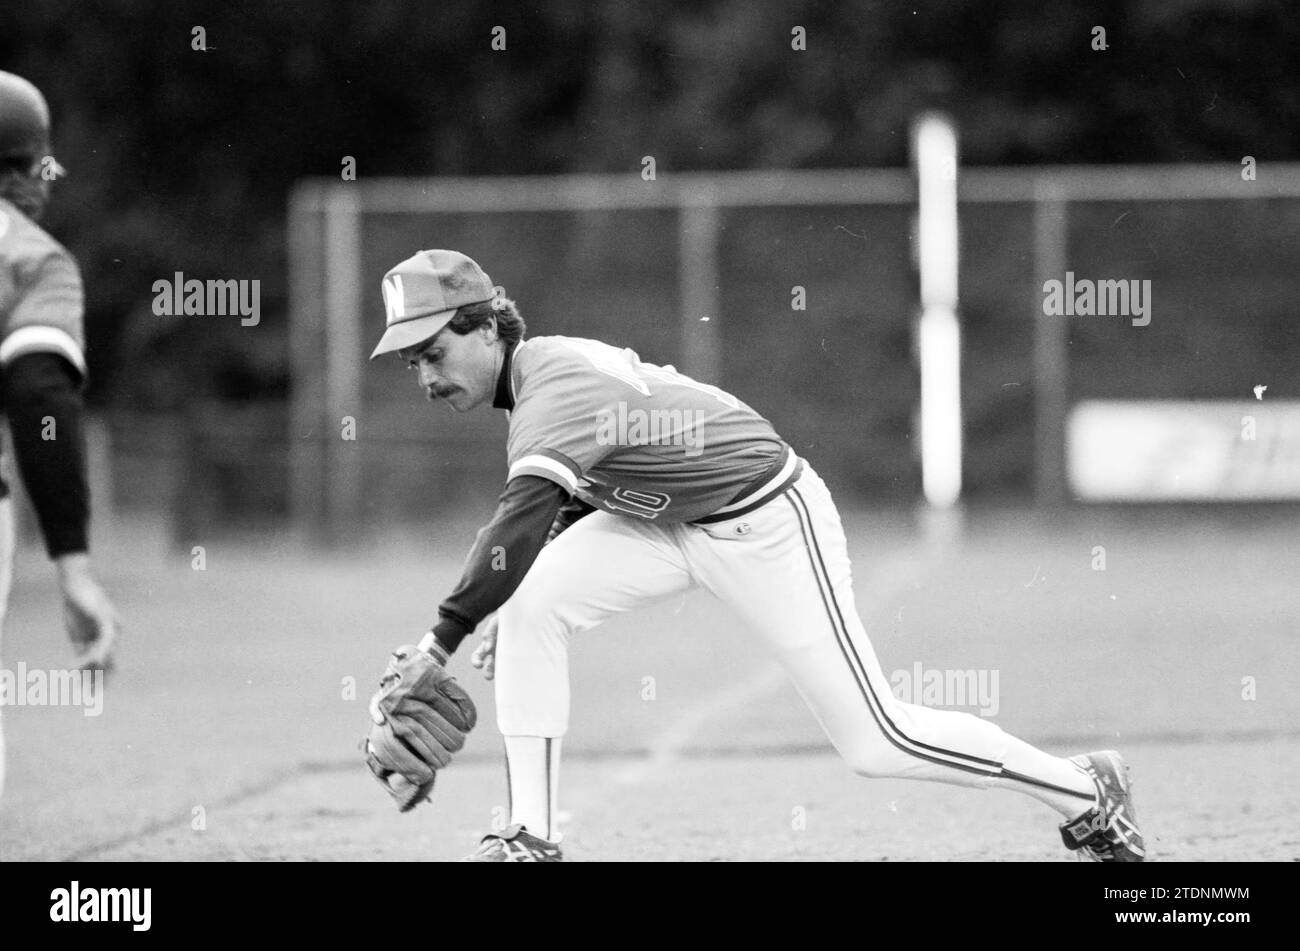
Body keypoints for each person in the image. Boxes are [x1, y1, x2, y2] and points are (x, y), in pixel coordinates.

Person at [368, 248, 1145, 863]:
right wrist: (512, 595)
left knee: (879, 741)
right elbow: (567, 501)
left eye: (434, 351)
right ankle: (529, 837)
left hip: (765, 521)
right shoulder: (537, 391)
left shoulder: (554, 385)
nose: (427, 376)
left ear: (488, 325)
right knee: (531, 606)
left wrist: (442, 638)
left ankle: (1086, 789)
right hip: (662, 524)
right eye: (412, 364)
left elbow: (520, 517)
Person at [0, 71, 120, 802]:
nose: (50, 177)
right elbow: (38, 393)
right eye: (40, 160)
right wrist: (73, 566)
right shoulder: (30, 257)